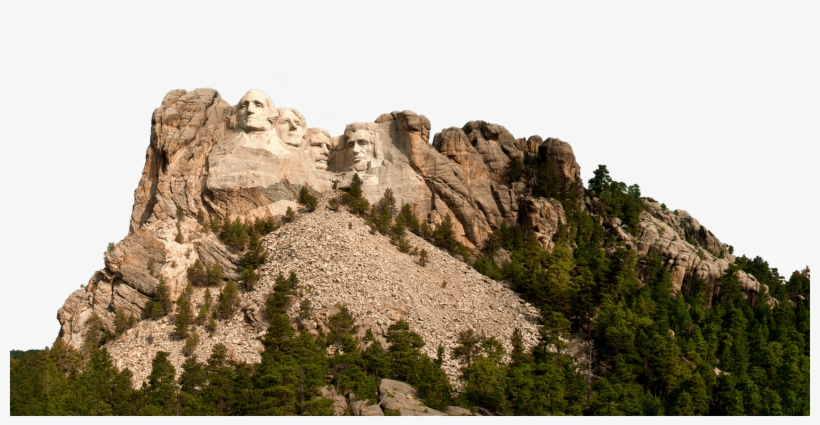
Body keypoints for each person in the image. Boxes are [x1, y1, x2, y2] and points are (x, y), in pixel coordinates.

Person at [232, 89, 286, 154]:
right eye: (244, 106)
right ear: (237, 114)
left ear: (270, 112)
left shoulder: (282, 146)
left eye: (258, 105)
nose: (249, 110)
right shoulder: (227, 143)